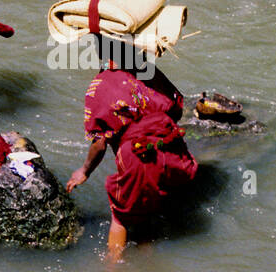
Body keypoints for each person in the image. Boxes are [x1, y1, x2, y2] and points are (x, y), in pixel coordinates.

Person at [65, 41, 198, 260]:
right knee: (147, 208)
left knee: (120, 216)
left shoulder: (101, 84)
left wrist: (85, 171)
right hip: (172, 151)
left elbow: (100, 142)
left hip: (138, 154)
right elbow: (176, 109)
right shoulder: (150, 72)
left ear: (108, 58)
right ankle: (147, 263)